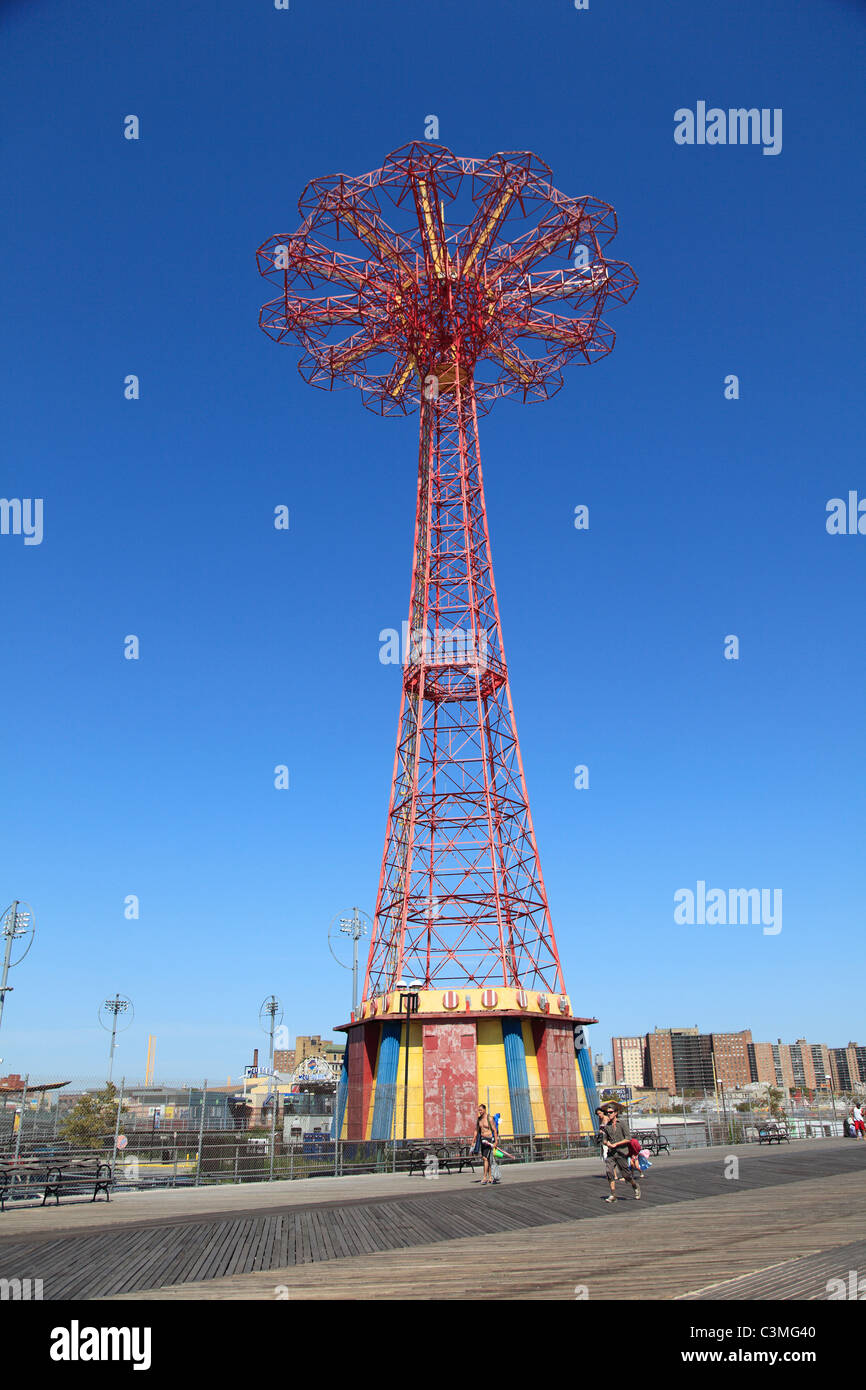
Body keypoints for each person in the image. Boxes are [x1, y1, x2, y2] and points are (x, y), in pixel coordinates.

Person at [599, 1103, 641, 1202]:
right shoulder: (607, 1126)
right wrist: (607, 1143)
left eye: (611, 1112)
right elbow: (604, 1140)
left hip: (621, 1152)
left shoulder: (622, 1123)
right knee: (609, 1171)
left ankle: (635, 1186)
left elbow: (628, 1139)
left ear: (616, 1113)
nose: (609, 1114)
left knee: (626, 1176)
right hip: (611, 1153)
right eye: (607, 1112)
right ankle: (613, 1194)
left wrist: (616, 1144)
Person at [475, 1104, 499, 1185]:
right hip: (482, 1140)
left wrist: (496, 1141)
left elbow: (494, 1130)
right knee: (487, 1159)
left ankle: (485, 1177)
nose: (480, 1112)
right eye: (479, 1110)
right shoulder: (479, 1119)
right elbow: (477, 1130)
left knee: (485, 1158)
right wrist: (473, 1141)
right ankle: (490, 1177)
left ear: (484, 1110)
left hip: (488, 1140)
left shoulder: (490, 1118)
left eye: (481, 1110)